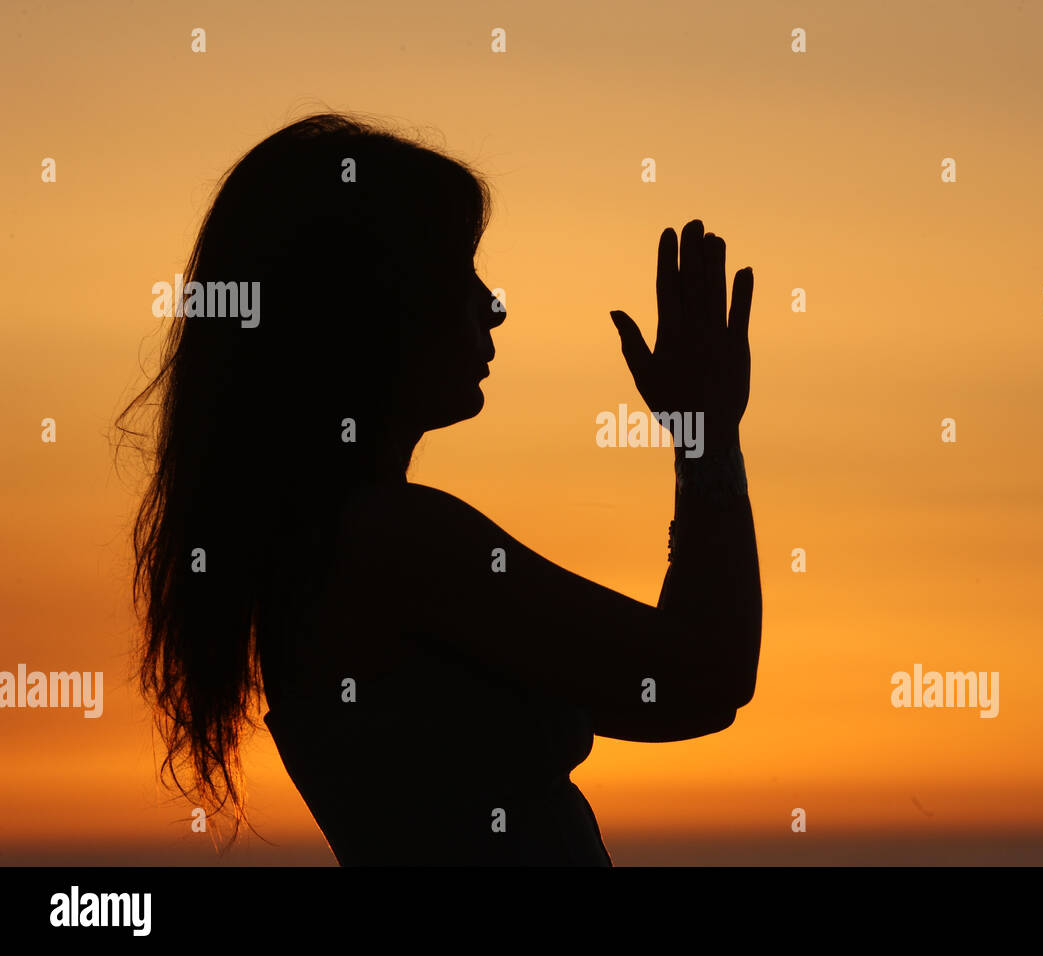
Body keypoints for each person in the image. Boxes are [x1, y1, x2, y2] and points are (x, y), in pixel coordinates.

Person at [121, 113, 761, 865]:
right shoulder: (392, 543)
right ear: (369, 304)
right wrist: (707, 437)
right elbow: (701, 678)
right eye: (461, 272)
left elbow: (688, 688)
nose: (493, 304)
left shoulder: (330, 547)